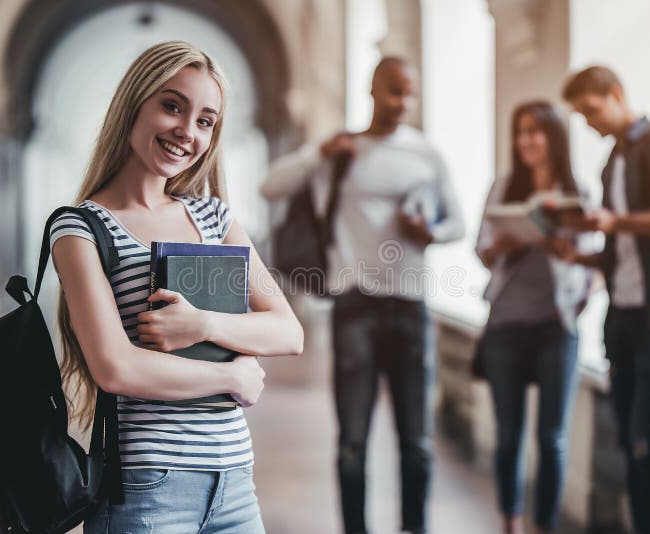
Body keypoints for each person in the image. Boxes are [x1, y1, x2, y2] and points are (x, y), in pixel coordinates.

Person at [50, 41, 304, 533]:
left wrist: (202, 323)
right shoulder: (81, 227)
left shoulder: (213, 217)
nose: (187, 131)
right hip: (147, 488)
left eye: (205, 120)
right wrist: (231, 377)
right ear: (134, 105)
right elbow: (116, 367)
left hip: (234, 482)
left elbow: (288, 333)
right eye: (172, 106)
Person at [261, 57, 465, 534]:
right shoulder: (343, 152)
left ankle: (414, 527)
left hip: (412, 306)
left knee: (416, 441)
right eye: (394, 91)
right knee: (352, 440)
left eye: (410, 93)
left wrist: (429, 231)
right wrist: (319, 154)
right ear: (373, 90)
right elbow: (270, 186)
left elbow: (458, 223)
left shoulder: (426, 155)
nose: (403, 103)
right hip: (355, 307)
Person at [557, 66, 650, 534]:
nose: (588, 123)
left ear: (617, 94)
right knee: (630, 438)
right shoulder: (614, 160)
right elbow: (620, 252)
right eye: (580, 115)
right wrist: (577, 251)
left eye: (591, 110)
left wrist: (615, 223)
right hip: (622, 316)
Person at [476, 101, 592, 534]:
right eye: (519, 132)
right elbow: (481, 251)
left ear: (554, 137)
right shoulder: (504, 186)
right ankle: (511, 523)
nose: (525, 141)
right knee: (508, 438)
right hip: (505, 325)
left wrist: (570, 258)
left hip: (556, 328)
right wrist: (504, 246)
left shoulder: (578, 192)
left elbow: (595, 263)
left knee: (552, 439)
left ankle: (544, 526)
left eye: (534, 132)